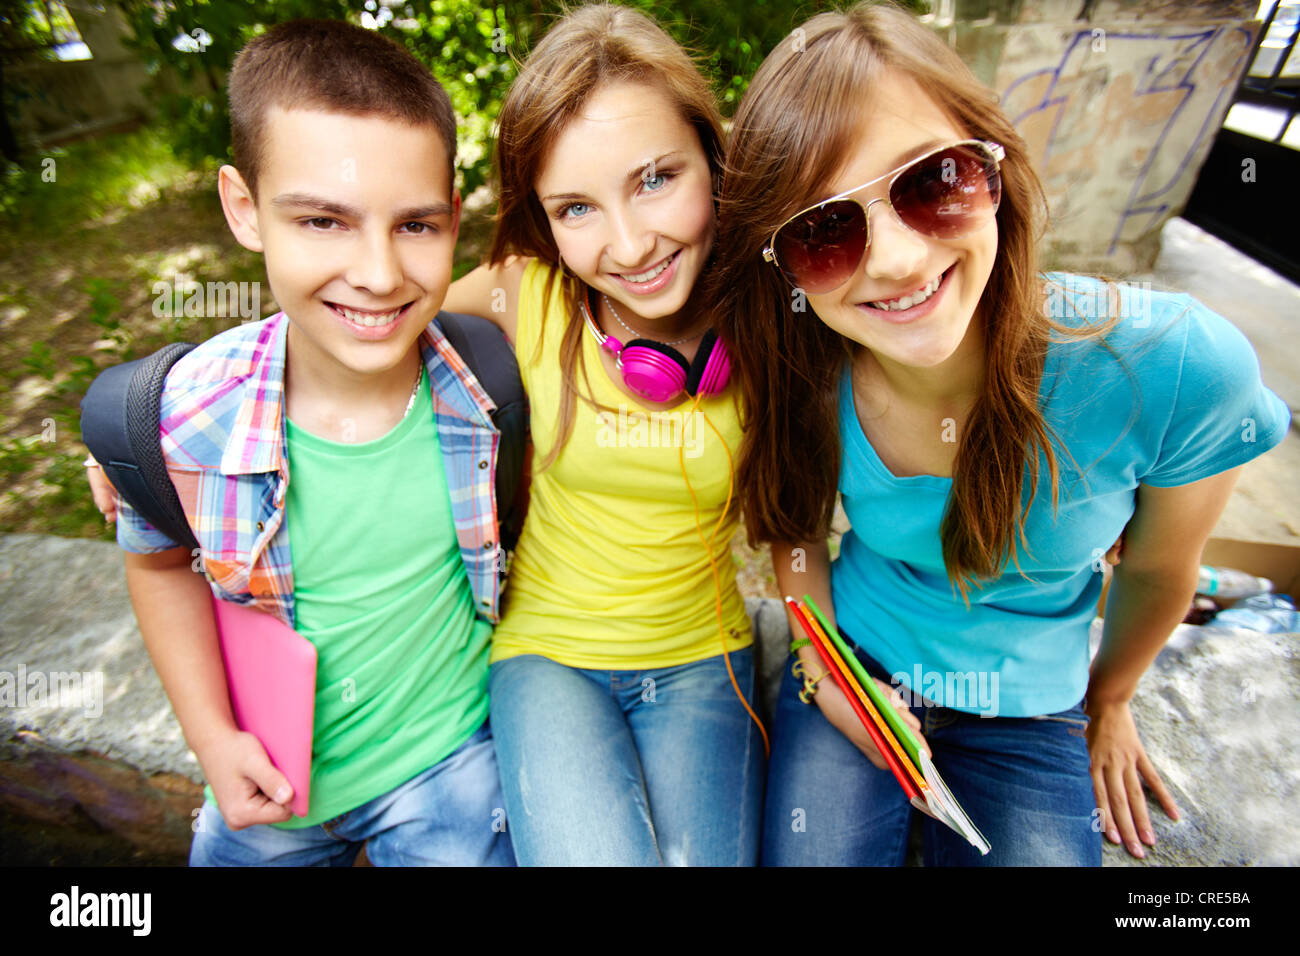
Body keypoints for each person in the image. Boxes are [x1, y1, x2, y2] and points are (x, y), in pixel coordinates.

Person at [709, 1, 1290, 866]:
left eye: (933, 182)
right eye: (826, 230)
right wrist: (826, 669)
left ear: (998, 169)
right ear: (782, 266)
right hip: (862, 661)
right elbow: (793, 531)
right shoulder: (801, 368)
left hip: (1035, 707)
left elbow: (1163, 572)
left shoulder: (1176, 366)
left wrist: (1114, 701)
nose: (898, 260)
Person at [90, 19, 514, 866]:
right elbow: (157, 564)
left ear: (453, 222)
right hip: (266, 789)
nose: (380, 273)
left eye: (416, 225)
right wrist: (210, 736)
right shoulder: (179, 424)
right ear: (243, 209)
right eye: (324, 221)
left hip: (450, 770)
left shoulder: (490, 379)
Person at [441, 3, 763, 865]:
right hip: (548, 655)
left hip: (708, 660)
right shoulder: (525, 292)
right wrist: (157, 415)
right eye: (576, 208)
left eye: (657, 178)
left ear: (713, 157)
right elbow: (360, 323)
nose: (629, 245)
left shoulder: (778, 311)